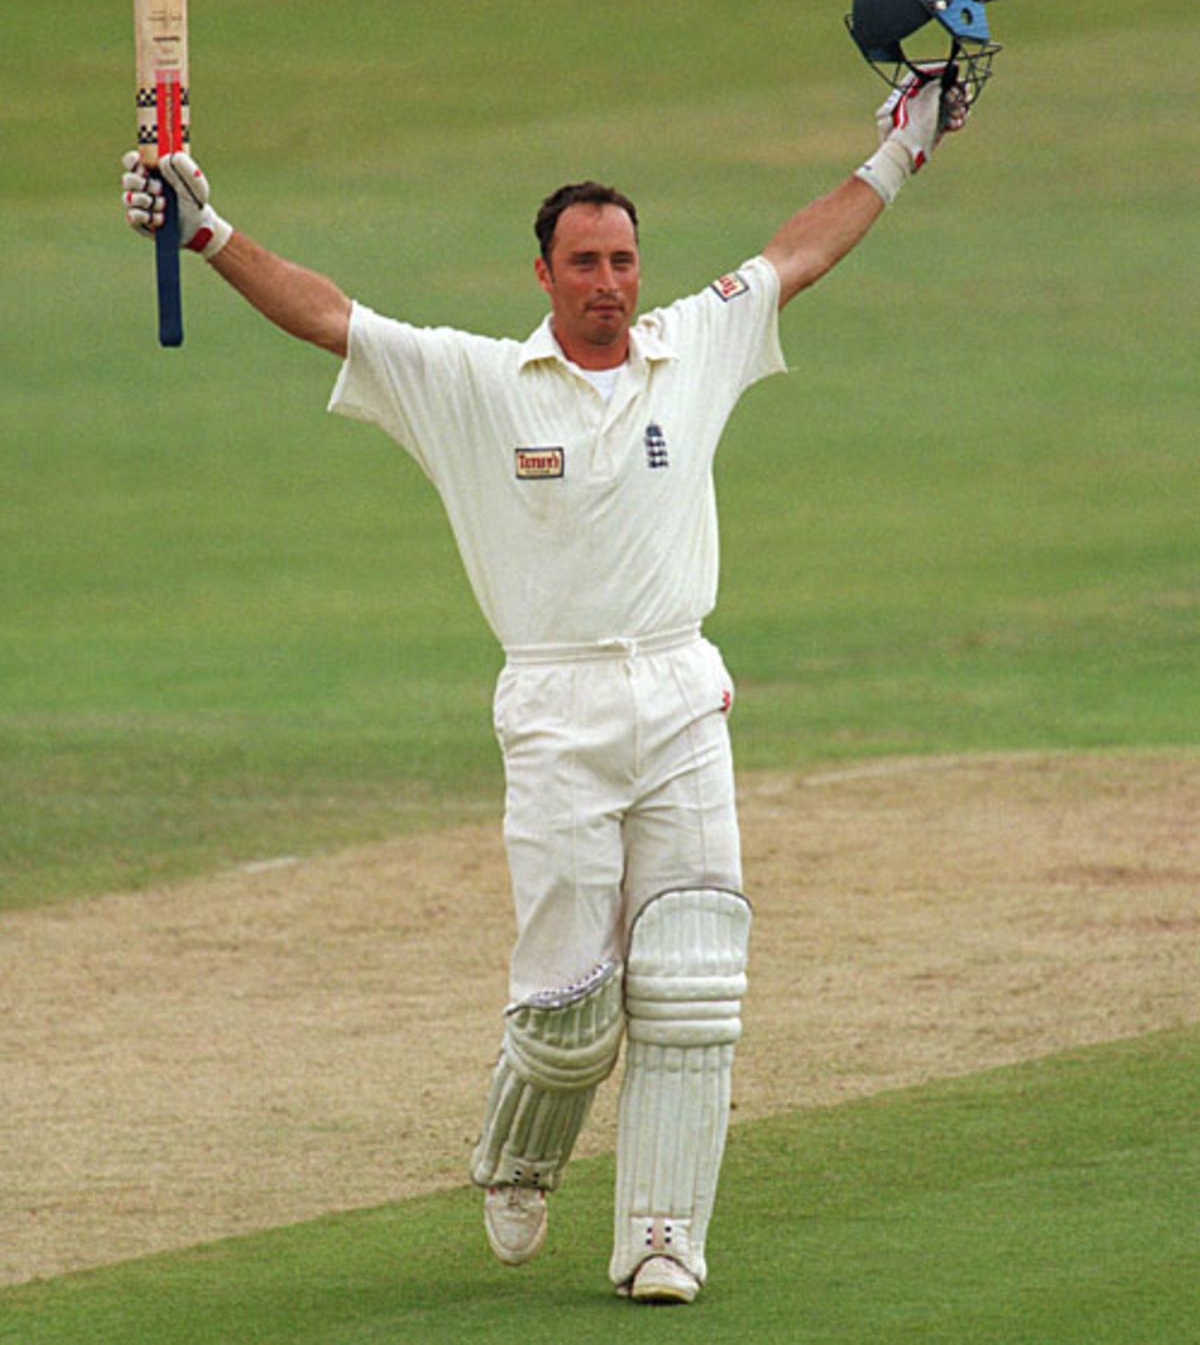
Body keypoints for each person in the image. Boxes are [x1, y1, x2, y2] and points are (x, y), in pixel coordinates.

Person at [120, 69, 968, 1304]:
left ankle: (662, 1236)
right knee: (570, 1013)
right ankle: (520, 1154)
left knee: (691, 978)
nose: (611, 281)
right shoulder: (474, 384)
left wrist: (903, 151)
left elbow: (797, 251)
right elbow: (332, 318)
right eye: (585, 261)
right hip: (557, 712)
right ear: (545, 275)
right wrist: (205, 229)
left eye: (624, 257)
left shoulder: (694, 344)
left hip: (681, 691)